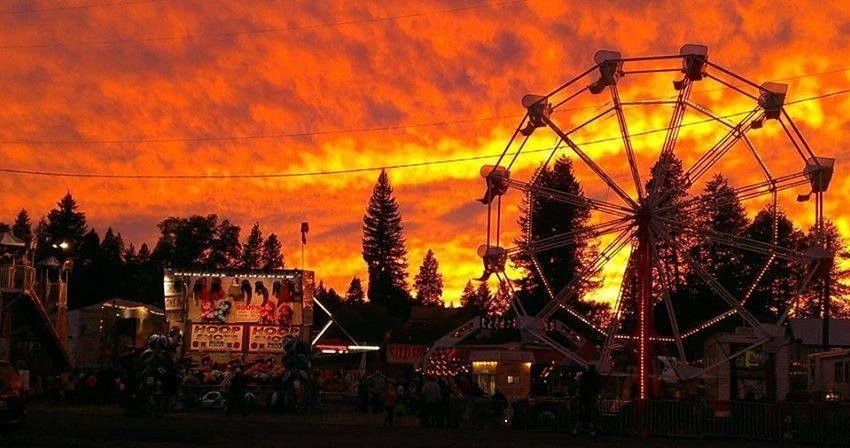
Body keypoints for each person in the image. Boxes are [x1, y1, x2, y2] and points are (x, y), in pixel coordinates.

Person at [574, 364, 601, 436]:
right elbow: (598, 387)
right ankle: (591, 429)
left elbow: (580, 385)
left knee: (583, 414)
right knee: (589, 414)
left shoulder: (585, 377)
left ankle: (580, 428)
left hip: (585, 396)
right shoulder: (595, 377)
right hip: (590, 397)